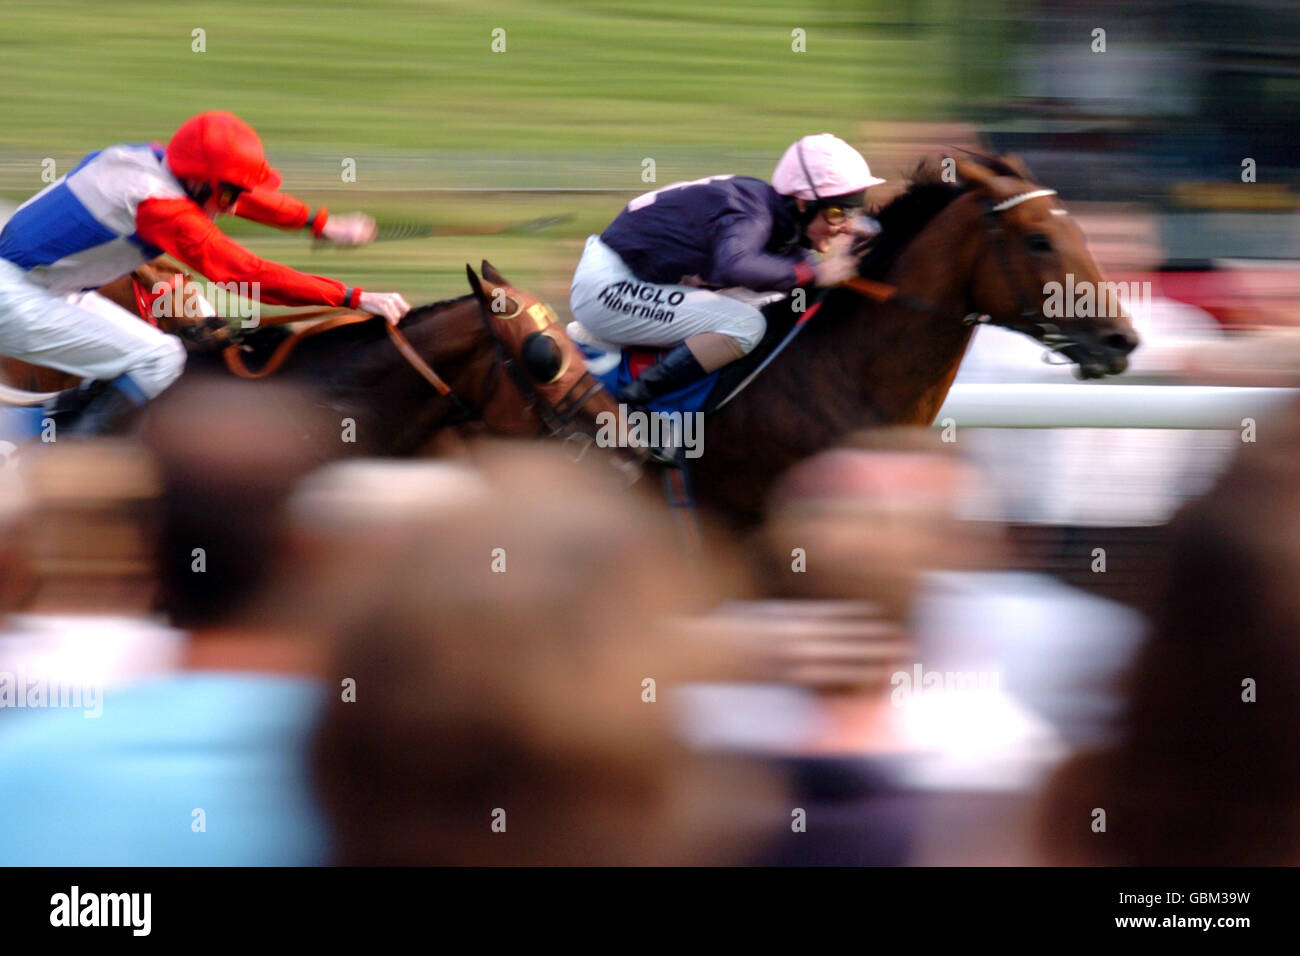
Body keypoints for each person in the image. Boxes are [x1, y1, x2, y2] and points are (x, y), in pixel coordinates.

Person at [0, 110, 410, 434]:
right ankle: (70, 458)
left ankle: (50, 426)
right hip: (18, 297)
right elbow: (245, 273)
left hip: (42, 287)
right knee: (158, 358)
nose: (231, 207)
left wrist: (320, 223)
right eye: (225, 194)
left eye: (232, 193)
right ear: (197, 181)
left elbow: (244, 198)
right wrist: (355, 298)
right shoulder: (158, 206)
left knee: (141, 350)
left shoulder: (155, 158)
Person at [569, 133, 884, 405]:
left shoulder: (780, 220)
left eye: (850, 213)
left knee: (766, 304)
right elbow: (736, 265)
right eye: (835, 213)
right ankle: (636, 403)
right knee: (745, 326)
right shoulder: (751, 211)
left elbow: (791, 279)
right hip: (607, 288)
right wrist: (816, 274)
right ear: (803, 204)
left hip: (628, 280)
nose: (843, 226)